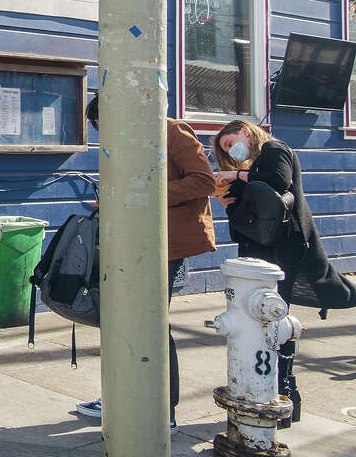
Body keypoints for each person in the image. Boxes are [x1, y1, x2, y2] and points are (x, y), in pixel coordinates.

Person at [75, 95, 217, 433]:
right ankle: (120, 398)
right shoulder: (125, 142)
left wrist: (146, 191)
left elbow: (204, 180)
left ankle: (163, 410)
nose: (106, 134)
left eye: (106, 125)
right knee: (123, 322)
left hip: (164, 245)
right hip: (129, 242)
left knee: (152, 327)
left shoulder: (172, 131)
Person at [213, 119, 356, 427]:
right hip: (258, 257)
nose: (231, 150)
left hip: (284, 254)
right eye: (226, 150)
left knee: (276, 322)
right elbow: (245, 222)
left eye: (231, 142)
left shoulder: (274, 151)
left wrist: (232, 174)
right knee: (261, 324)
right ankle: (271, 392)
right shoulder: (252, 171)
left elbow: (278, 182)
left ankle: (284, 390)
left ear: (246, 131)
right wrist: (226, 201)